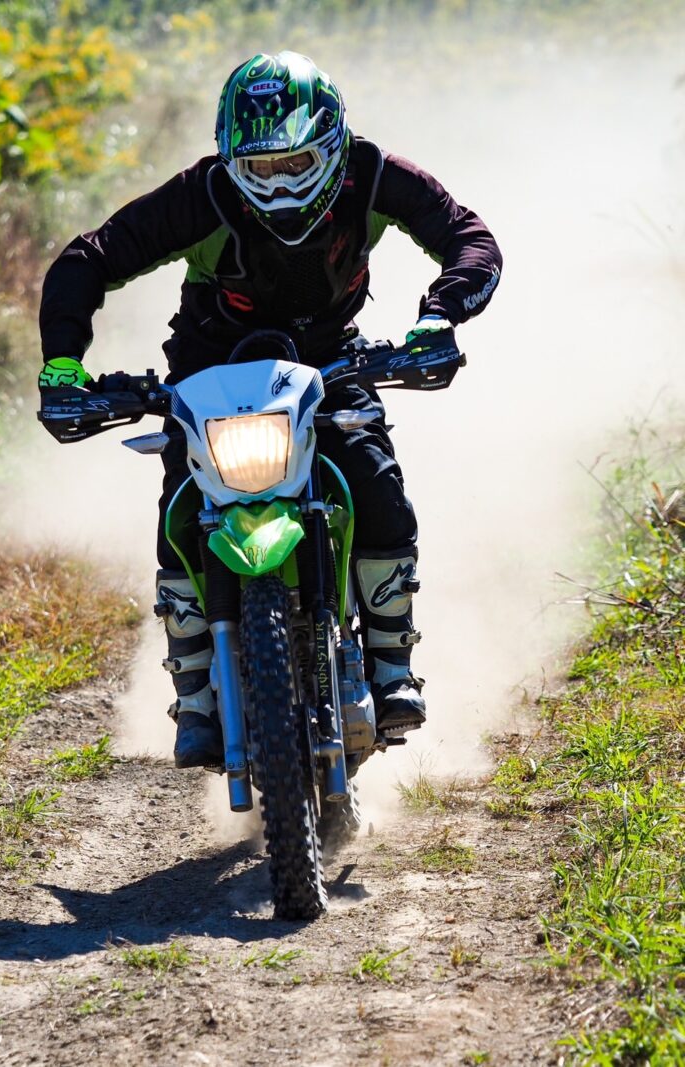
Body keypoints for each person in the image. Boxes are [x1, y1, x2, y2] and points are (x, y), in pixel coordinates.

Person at [38, 50, 502, 769]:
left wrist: (438, 317)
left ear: (332, 144)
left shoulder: (375, 175)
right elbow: (89, 258)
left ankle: (391, 665)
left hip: (332, 359)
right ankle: (195, 690)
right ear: (232, 160)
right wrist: (65, 363)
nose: (279, 182)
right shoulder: (201, 194)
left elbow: (469, 237)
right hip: (212, 365)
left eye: (294, 163)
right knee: (181, 507)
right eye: (260, 168)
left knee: (376, 483)